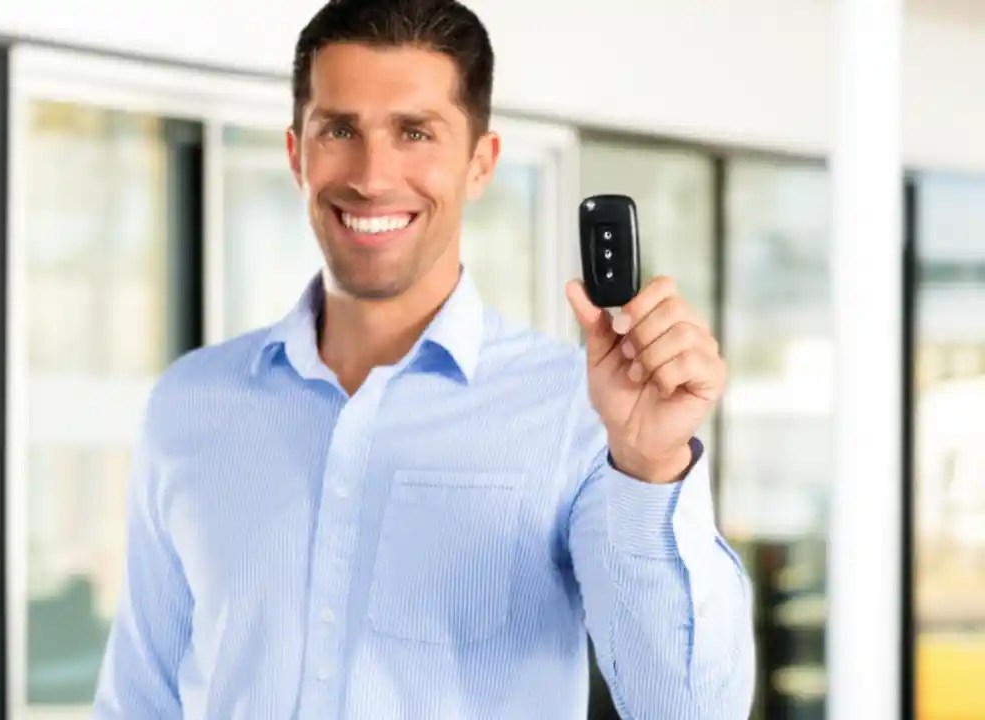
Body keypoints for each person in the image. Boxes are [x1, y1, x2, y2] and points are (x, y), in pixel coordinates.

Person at [93, 0, 755, 717]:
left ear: (481, 163)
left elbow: (687, 709)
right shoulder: (191, 403)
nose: (373, 176)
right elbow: (140, 697)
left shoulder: (577, 415)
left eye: (415, 133)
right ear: (297, 154)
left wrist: (650, 466)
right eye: (340, 129)